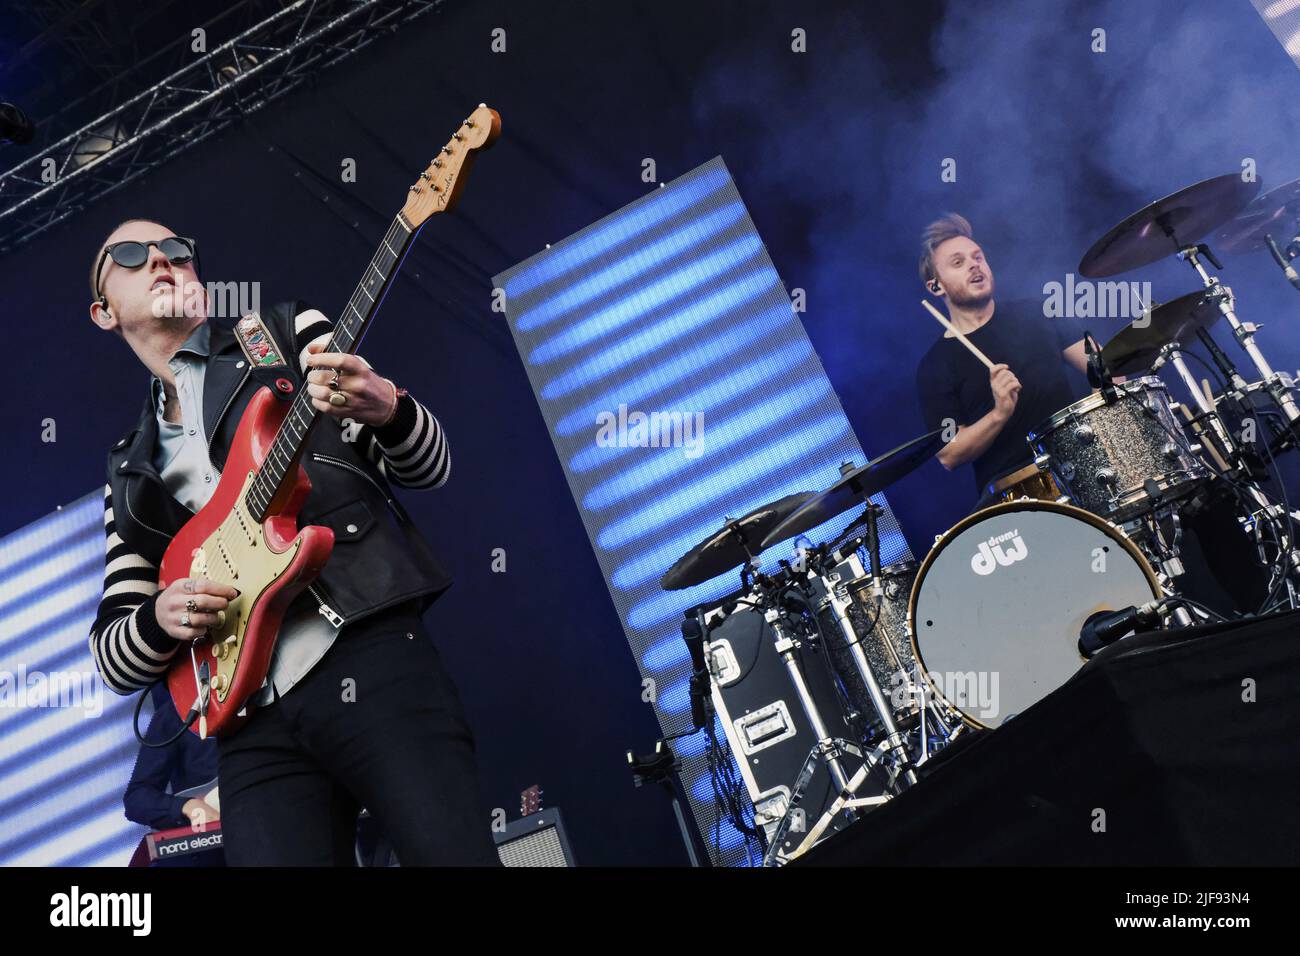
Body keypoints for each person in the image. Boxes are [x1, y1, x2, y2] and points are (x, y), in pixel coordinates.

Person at [86, 218, 499, 865]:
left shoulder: (279, 336)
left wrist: (388, 408)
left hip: (367, 656)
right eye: (134, 255)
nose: (163, 261)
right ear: (104, 311)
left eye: (177, 251)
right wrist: (161, 617)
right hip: (252, 727)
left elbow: (430, 467)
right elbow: (112, 656)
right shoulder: (128, 469)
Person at [913, 212, 1088, 506]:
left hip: (1081, 459)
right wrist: (1000, 412)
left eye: (978, 257)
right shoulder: (935, 367)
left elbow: (1103, 367)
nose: (974, 265)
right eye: (958, 262)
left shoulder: (1038, 311)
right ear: (935, 287)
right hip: (1016, 493)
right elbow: (950, 454)